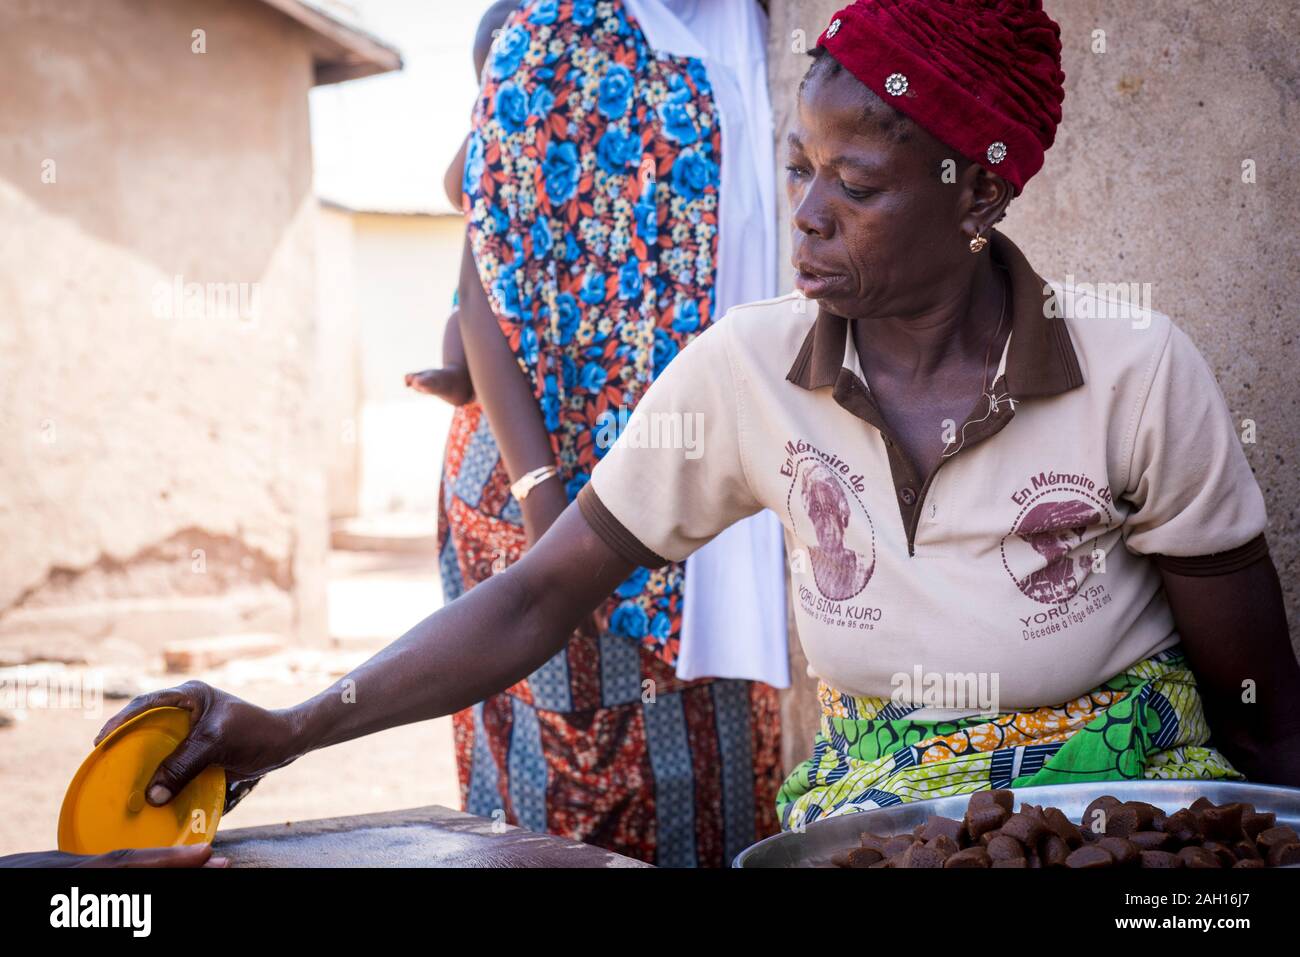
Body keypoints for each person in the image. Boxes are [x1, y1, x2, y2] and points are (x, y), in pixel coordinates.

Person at [84, 0, 1300, 856]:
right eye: (797, 170)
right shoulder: (751, 373)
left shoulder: (1134, 372)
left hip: (1121, 820)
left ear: (978, 193)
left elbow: (1257, 705)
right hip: (872, 821)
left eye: (856, 186)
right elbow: (535, 596)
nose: (808, 218)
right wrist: (294, 729)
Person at [408, 0, 786, 866]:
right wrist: (546, 505)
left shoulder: (757, 28)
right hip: (541, 472)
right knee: (557, 800)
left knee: (713, 777)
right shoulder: (539, 28)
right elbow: (486, 275)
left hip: (706, 501)